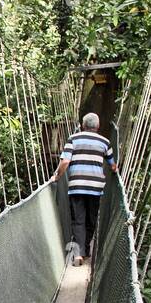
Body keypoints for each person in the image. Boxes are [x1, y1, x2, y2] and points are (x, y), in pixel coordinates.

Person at [55, 112, 117, 266]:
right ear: (98, 126)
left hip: (76, 186)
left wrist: (57, 176)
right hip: (95, 188)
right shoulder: (105, 141)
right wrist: (115, 170)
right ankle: (84, 251)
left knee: (78, 220)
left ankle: (79, 253)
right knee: (91, 219)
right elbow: (113, 165)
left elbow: (64, 162)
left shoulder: (73, 139)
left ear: (83, 126)